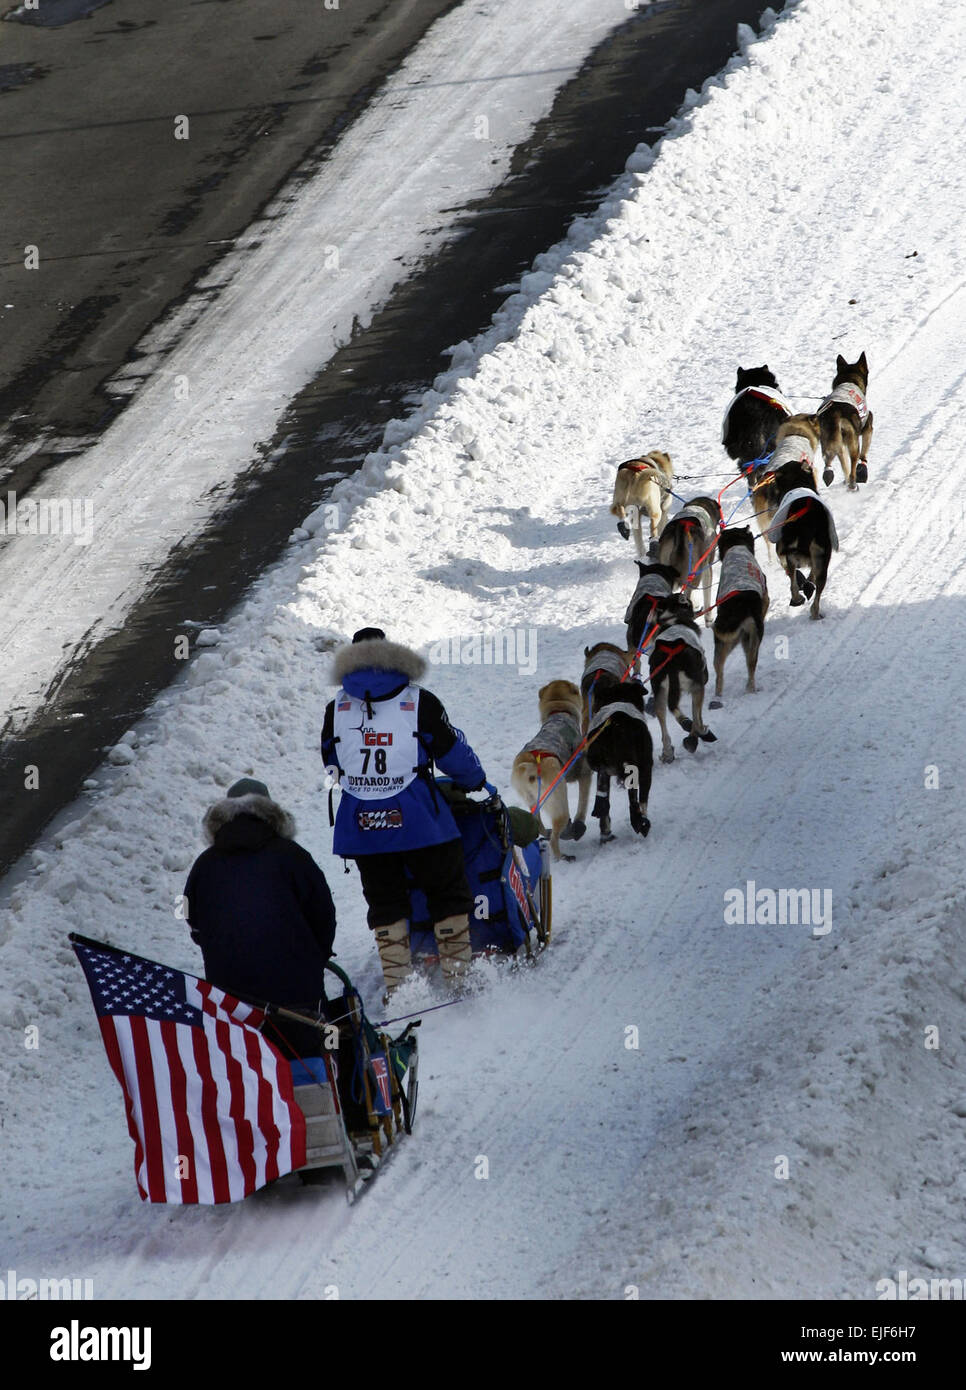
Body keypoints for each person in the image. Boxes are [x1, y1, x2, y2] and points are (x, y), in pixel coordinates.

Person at [320, 627, 486, 992]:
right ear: (391, 653)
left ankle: (398, 986)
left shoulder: (337, 709)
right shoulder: (418, 700)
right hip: (420, 822)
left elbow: (331, 763)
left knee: (384, 900)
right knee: (447, 890)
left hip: (361, 825)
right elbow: (450, 752)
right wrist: (475, 780)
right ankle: (459, 979)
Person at [183, 777, 336, 1059]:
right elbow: (323, 913)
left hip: (230, 997)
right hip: (298, 992)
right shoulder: (293, 856)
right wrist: (319, 955)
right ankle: (328, 1084)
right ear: (270, 812)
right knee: (324, 1037)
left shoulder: (204, 865)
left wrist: (214, 942)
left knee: (247, 1061)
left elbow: (187, 915)